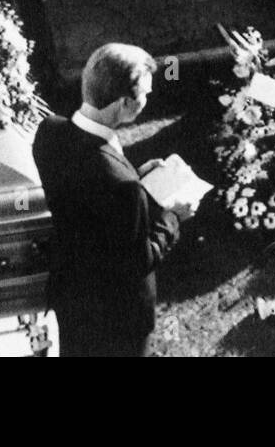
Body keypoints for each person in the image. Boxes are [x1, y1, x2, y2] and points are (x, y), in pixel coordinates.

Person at [31, 42, 187, 357]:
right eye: (145, 94)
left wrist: (138, 181)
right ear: (123, 104)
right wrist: (172, 217)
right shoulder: (122, 186)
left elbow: (92, 196)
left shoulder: (50, 133)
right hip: (119, 320)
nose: (148, 99)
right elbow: (137, 260)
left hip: (73, 295)